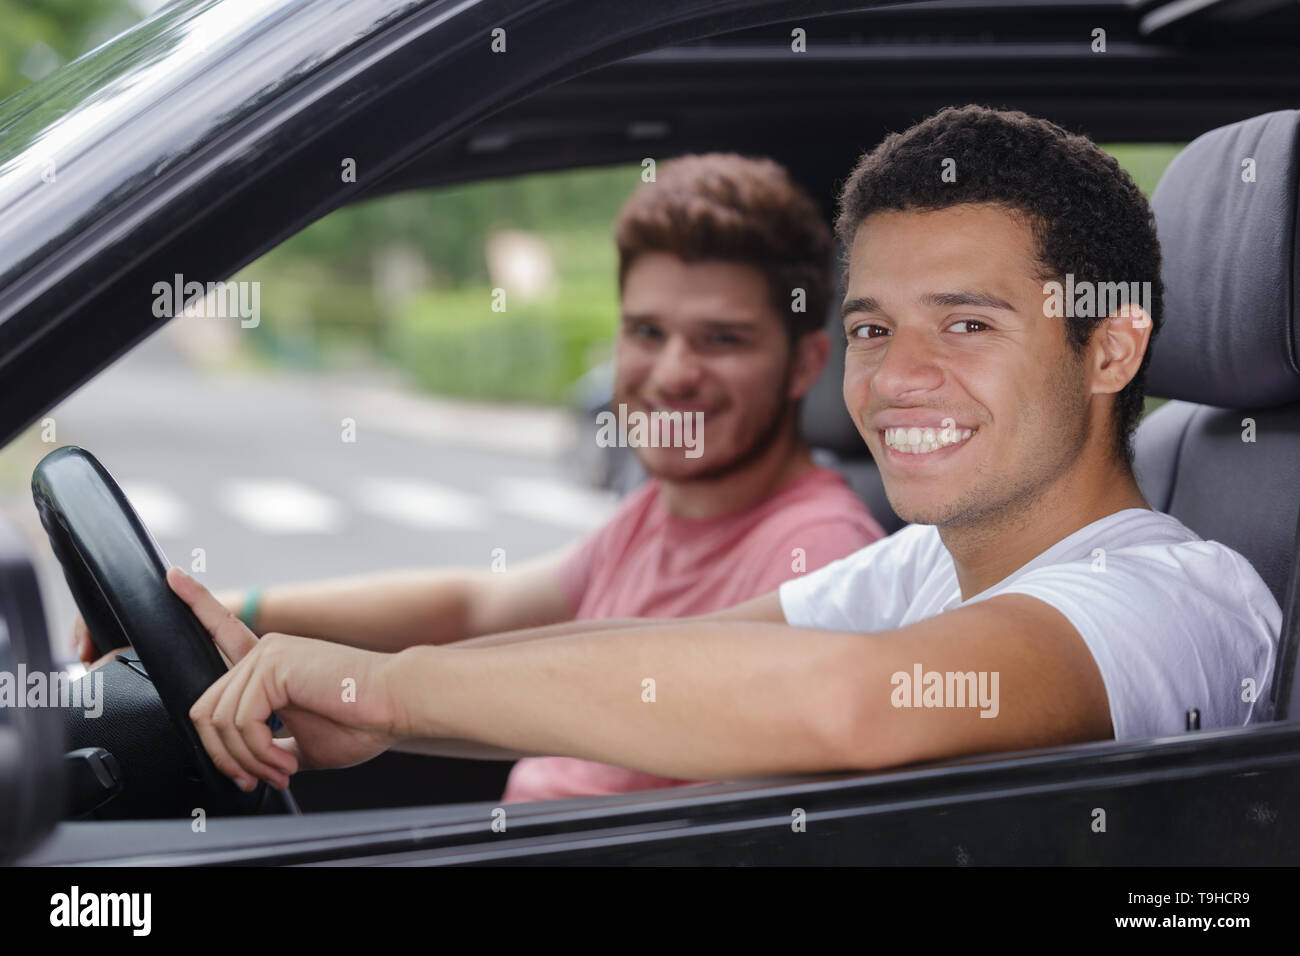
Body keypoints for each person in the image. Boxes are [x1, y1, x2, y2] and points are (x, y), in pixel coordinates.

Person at [154, 105, 1281, 794]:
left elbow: (854, 702)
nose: (892, 378)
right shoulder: (927, 564)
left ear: (1108, 349)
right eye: (872, 329)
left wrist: (391, 689)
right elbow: (654, 650)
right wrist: (355, 698)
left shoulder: (1175, 595)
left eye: (969, 324)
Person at [76, 153, 885, 801]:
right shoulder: (659, 514)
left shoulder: (817, 552)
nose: (672, 373)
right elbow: (474, 606)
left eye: (722, 340)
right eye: (646, 330)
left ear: (803, 364)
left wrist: (381, 701)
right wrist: (233, 615)